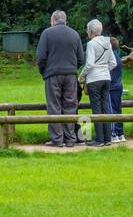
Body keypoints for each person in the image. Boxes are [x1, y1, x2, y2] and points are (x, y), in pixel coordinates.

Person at [35, 9, 84, 147]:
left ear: (53, 21)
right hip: (71, 75)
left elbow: (40, 57)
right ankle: (70, 139)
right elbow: (81, 58)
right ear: (65, 20)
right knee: (70, 105)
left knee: (54, 106)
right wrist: (73, 68)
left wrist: (43, 71)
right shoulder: (75, 34)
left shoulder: (47, 33)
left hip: (52, 75)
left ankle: (57, 140)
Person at [80, 20, 116, 147]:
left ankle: (99, 139)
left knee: (96, 108)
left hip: (94, 79)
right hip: (106, 78)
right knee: (105, 107)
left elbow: (89, 64)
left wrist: (82, 75)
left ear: (90, 31)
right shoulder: (108, 42)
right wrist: (104, 70)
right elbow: (113, 63)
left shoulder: (91, 44)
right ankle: (107, 139)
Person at [108, 37, 126, 143]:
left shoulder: (111, 57)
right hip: (118, 86)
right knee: (118, 109)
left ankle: (113, 134)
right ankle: (121, 133)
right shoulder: (118, 56)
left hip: (112, 86)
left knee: (112, 110)